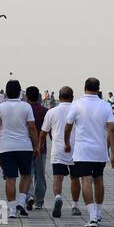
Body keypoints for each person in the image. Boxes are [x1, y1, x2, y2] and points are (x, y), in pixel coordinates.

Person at [63, 78, 114, 227]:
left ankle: (92, 216)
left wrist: (66, 143)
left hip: (83, 150)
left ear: (84, 88)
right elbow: (112, 129)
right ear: (98, 89)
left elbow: (68, 127)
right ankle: (98, 213)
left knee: (86, 180)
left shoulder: (77, 104)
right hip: (100, 150)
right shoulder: (105, 105)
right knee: (98, 179)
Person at [0, 80, 38, 218]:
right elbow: (32, 127)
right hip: (24, 147)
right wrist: (36, 146)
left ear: (6, 92)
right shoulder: (26, 107)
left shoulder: (1, 107)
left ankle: (12, 210)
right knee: (26, 175)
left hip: (6, 147)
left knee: (10, 179)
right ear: (19, 92)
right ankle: (21, 202)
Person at [41, 87, 81, 218]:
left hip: (58, 149)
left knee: (57, 177)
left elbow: (43, 132)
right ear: (72, 97)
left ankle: (58, 197)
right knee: (75, 178)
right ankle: (75, 205)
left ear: (59, 97)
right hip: (76, 150)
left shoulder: (51, 112)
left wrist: (39, 147)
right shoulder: (78, 110)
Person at [24, 86, 49, 209]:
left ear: (27, 97)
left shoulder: (24, 110)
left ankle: (29, 196)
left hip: (26, 147)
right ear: (39, 96)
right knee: (40, 175)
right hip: (41, 147)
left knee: (27, 173)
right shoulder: (45, 111)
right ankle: (39, 201)